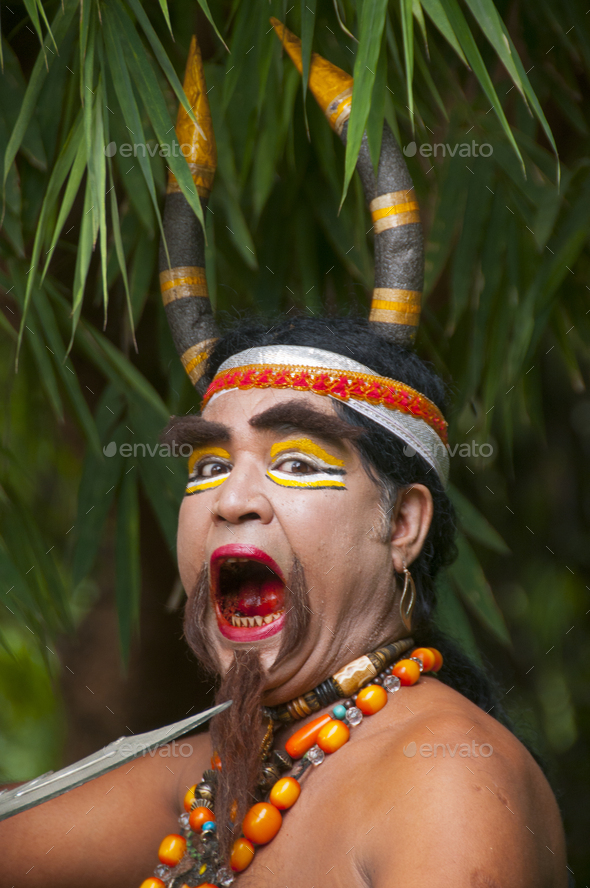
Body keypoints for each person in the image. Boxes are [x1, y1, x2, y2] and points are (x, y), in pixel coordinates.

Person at [1, 23, 567, 888]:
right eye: (206, 467)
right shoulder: (226, 774)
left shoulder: (446, 781)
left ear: (403, 522)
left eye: (299, 464)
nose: (232, 499)